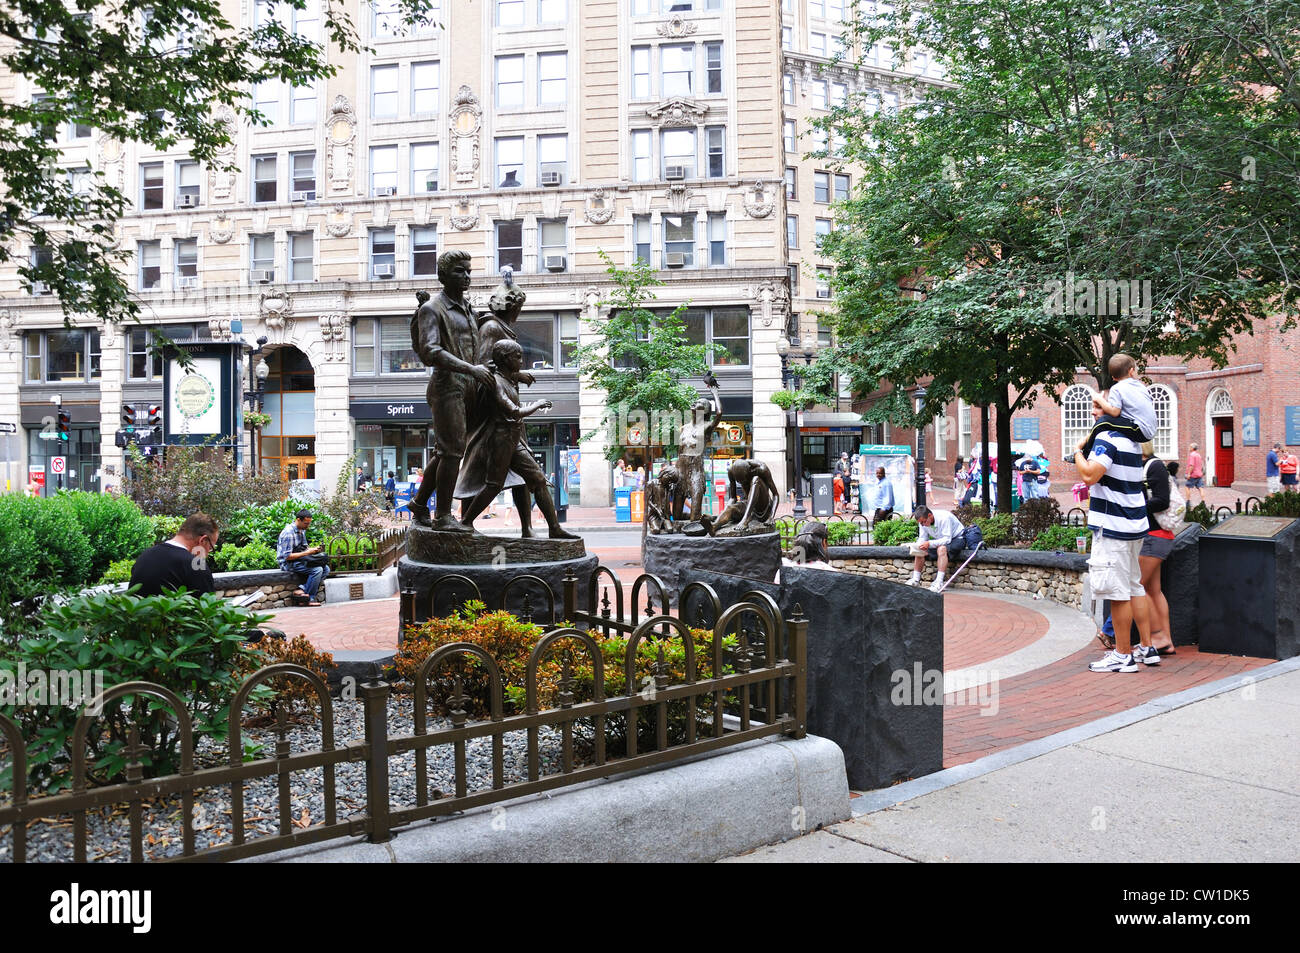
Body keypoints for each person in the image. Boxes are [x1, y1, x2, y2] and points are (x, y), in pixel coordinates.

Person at [454, 339, 579, 539]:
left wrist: (519, 377)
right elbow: (514, 411)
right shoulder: (495, 382)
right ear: (505, 359)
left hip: (514, 440)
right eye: (518, 357)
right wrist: (538, 404)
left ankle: (554, 528)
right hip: (499, 441)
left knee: (538, 479)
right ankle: (466, 522)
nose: (522, 361)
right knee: (493, 485)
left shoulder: (510, 379)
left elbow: (514, 381)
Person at [408, 250, 495, 530]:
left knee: (446, 451)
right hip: (447, 387)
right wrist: (471, 369)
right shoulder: (432, 309)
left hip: (469, 386)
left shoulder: (469, 309)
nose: (467, 276)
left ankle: (419, 504)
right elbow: (430, 352)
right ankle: (443, 516)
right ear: (443, 276)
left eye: (469, 270)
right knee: (452, 451)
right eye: (460, 271)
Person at [1072, 405, 1155, 673]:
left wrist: (1076, 452)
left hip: (1113, 528)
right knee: (1134, 587)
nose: (1093, 411)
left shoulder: (1106, 438)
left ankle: (1122, 654)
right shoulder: (1132, 441)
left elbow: (1089, 475)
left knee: (1117, 593)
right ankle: (1145, 646)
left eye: (1098, 406)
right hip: (1134, 525)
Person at [1138, 442, 1177, 658]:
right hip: (1153, 536)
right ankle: (1166, 641)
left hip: (1154, 536)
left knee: (1136, 586)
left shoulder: (1154, 466)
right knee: (1153, 590)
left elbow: (1161, 501)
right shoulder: (1145, 466)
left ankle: (1157, 636)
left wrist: (1135, 505)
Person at [1079, 353, 1156, 457]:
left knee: (1102, 422)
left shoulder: (1117, 388)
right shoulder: (1140, 387)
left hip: (1140, 430)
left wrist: (1099, 400)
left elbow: (1115, 412)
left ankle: (1085, 453)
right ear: (1131, 371)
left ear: (1114, 378)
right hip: (1149, 429)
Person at [129, 513, 220, 597]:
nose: (208, 553)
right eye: (211, 547)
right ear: (203, 540)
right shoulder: (196, 565)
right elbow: (207, 609)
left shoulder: (145, 556)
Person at [907, 504, 966, 593]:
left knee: (941, 549)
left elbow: (947, 539)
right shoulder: (922, 523)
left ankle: (939, 582)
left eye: (924, 522)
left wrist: (929, 543)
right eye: (920, 523)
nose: (923, 525)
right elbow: (923, 537)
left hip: (957, 538)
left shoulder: (944, 518)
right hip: (941, 539)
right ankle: (915, 579)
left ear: (930, 516)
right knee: (920, 548)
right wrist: (919, 545)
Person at [277, 509, 330, 606]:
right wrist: (307, 553)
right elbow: (287, 557)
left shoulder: (301, 530)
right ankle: (309, 598)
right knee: (317, 570)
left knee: (326, 569)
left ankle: (301, 590)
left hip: (299, 559)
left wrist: (313, 550)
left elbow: (304, 548)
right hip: (288, 563)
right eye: (306, 523)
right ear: (298, 520)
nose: (308, 526)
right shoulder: (288, 533)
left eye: (309, 523)